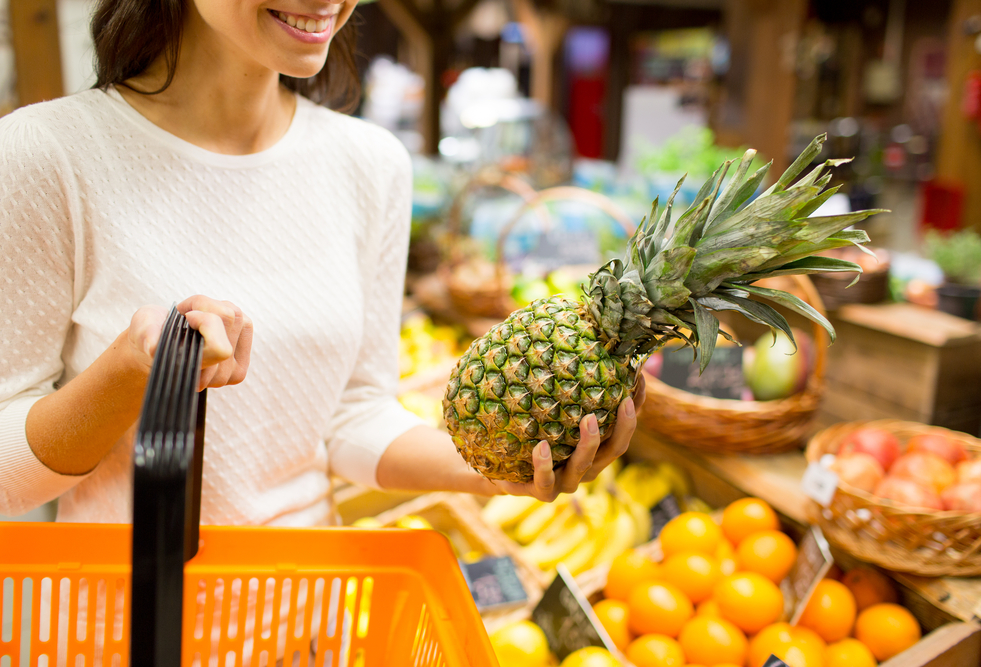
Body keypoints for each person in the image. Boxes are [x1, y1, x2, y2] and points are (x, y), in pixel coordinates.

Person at [0, 0, 644, 525]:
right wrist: (128, 373)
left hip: (309, 613)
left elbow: (353, 415)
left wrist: (509, 469)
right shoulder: (48, 155)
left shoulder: (370, 164)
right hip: (123, 619)